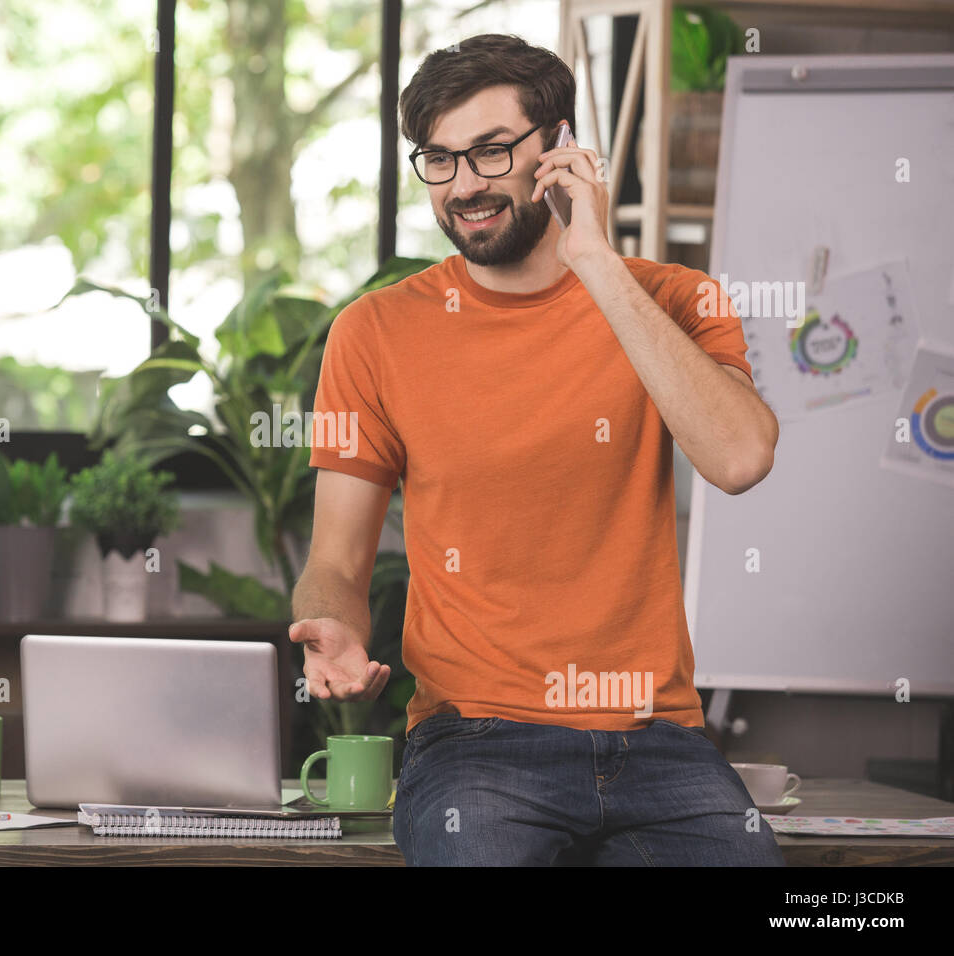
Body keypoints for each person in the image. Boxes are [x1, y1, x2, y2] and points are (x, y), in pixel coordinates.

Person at [289, 33, 783, 866]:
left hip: (656, 736)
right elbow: (335, 560)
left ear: (558, 150)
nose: (465, 187)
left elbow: (739, 459)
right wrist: (333, 627)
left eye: (490, 152)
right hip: (476, 743)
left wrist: (592, 257)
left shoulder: (673, 299)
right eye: (439, 161)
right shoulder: (372, 333)